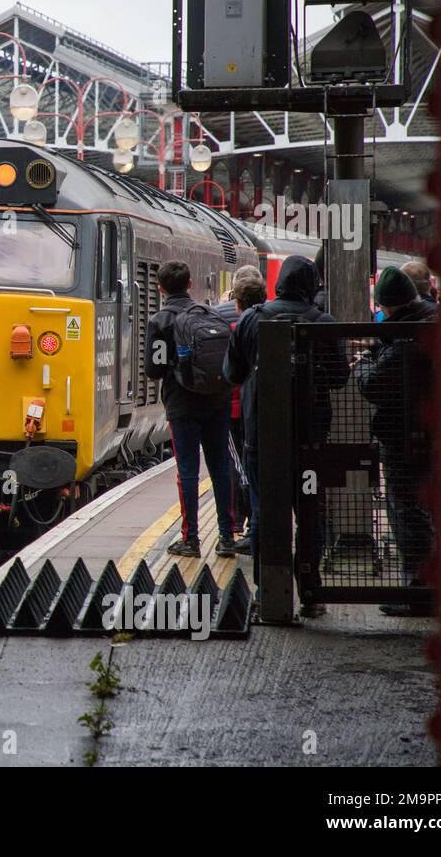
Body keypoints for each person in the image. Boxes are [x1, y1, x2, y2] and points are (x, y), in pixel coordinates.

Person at [224, 255, 350, 617]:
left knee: (264, 511)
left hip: (260, 436)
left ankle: (268, 593)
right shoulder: (323, 322)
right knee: (310, 510)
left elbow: (233, 374)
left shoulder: (251, 318)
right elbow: (340, 377)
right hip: (310, 436)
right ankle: (311, 593)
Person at [354, 267, 439, 617]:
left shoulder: (407, 337)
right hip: (433, 435)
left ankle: (419, 592)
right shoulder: (432, 319)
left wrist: (363, 362)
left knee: (406, 512)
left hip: (407, 438)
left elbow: (373, 382)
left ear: (388, 306)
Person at [145, 261, 236, 559]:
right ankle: (226, 537)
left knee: (187, 471)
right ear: (190, 284)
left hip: (182, 404)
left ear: (160, 288)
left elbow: (155, 370)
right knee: (221, 468)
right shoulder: (210, 314)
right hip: (217, 401)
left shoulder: (160, 322)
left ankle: (191, 539)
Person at [213, 267, 265, 549]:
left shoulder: (221, 316)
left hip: (233, 406)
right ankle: (255, 525)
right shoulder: (271, 316)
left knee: (236, 465)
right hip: (264, 408)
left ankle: (237, 524)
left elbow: (231, 371)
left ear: (235, 296)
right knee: (256, 466)